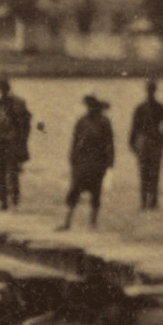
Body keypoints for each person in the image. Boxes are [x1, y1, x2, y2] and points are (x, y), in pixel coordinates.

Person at [58, 94, 115, 231]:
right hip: (82, 163)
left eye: (91, 106)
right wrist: (72, 159)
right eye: (88, 106)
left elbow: (109, 144)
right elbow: (75, 142)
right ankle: (67, 222)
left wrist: (109, 163)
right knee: (74, 191)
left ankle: (92, 224)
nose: (89, 108)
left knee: (96, 193)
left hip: (97, 163)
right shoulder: (82, 121)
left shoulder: (104, 122)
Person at [128, 78, 163, 210]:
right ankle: (143, 201)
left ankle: (152, 202)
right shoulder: (140, 108)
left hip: (155, 143)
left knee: (154, 173)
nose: (150, 92)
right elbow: (134, 128)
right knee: (143, 173)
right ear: (146, 90)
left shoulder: (161, 108)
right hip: (142, 143)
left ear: (155, 90)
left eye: (152, 90)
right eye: (148, 90)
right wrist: (132, 144)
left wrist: (162, 141)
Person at [0, 78, 32, 209]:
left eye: (1, 88)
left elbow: (25, 125)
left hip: (12, 142)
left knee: (12, 173)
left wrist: (20, 142)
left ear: (6, 89)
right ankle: (3, 201)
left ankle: (14, 200)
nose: (0, 91)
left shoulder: (17, 102)